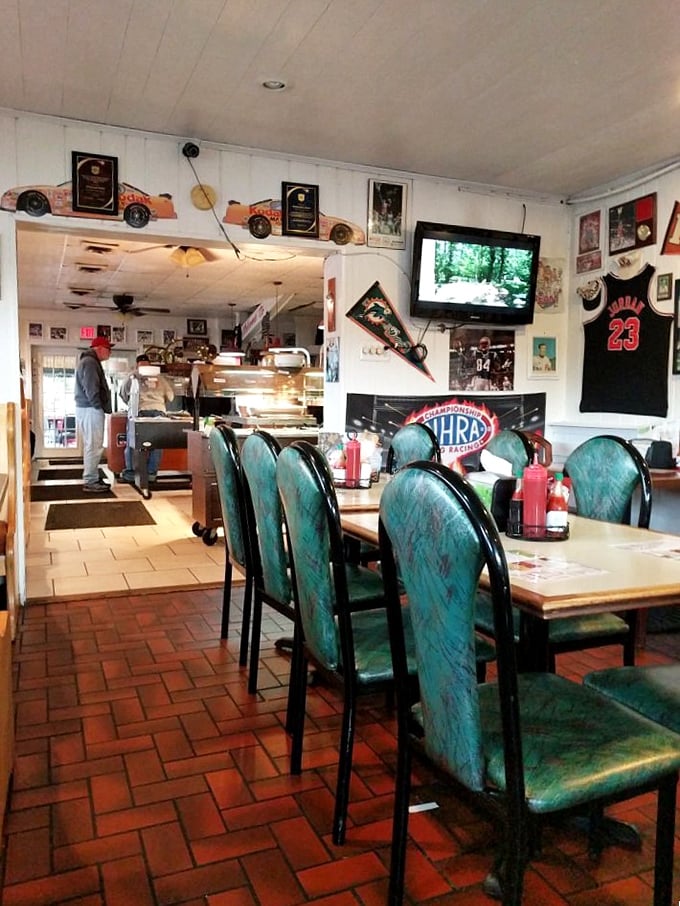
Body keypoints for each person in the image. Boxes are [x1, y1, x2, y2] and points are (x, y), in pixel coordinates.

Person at [119, 354, 175, 483]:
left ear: (137, 364)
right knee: (157, 445)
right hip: (159, 412)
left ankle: (131, 473)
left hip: (139, 411)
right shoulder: (159, 377)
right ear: (150, 363)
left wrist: (131, 402)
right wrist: (159, 401)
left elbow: (122, 393)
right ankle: (151, 473)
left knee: (133, 443)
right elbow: (171, 396)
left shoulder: (132, 375)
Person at [74, 336, 113, 492]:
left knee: (92, 445)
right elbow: (91, 388)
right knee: (94, 445)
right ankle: (91, 481)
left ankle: (92, 478)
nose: (110, 353)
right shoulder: (90, 363)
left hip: (87, 408)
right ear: (100, 349)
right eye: (108, 349)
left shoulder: (88, 361)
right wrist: (98, 406)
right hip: (91, 408)